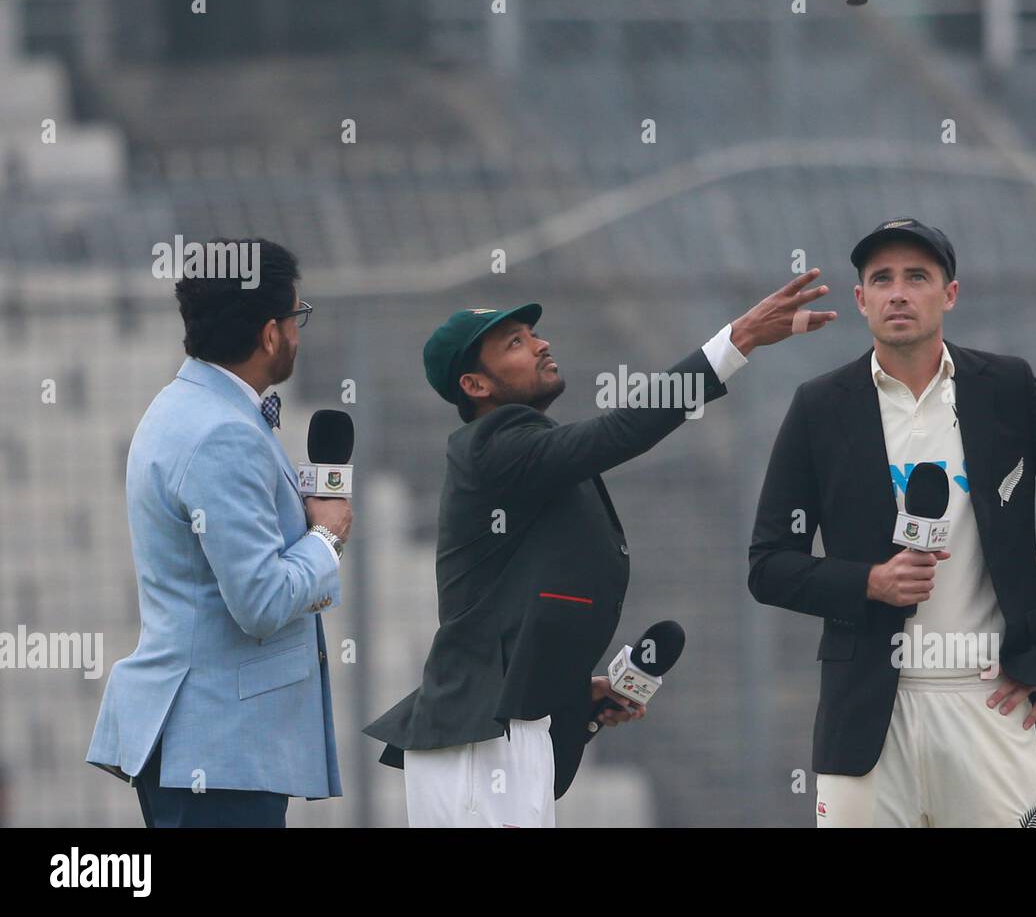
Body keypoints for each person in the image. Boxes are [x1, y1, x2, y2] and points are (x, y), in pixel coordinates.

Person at [363, 271, 836, 827]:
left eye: (533, 334)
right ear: (475, 385)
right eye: (515, 342)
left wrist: (571, 691)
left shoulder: (526, 451)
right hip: (480, 738)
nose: (541, 343)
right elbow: (622, 429)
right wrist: (736, 341)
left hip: (515, 730)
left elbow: (523, 610)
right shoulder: (493, 446)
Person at [749, 218, 1036, 827]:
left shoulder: (1006, 388)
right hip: (866, 720)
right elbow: (768, 566)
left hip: (989, 703)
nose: (897, 292)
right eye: (881, 279)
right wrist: (868, 582)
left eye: (917, 277)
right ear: (861, 300)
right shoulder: (819, 406)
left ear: (949, 294)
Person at [86, 239, 352, 827]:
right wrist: (326, 537)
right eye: (296, 318)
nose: (299, 334)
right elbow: (258, 602)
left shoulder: (187, 406)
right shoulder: (221, 434)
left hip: (204, 748)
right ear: (270, 334)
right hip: (217, 749)